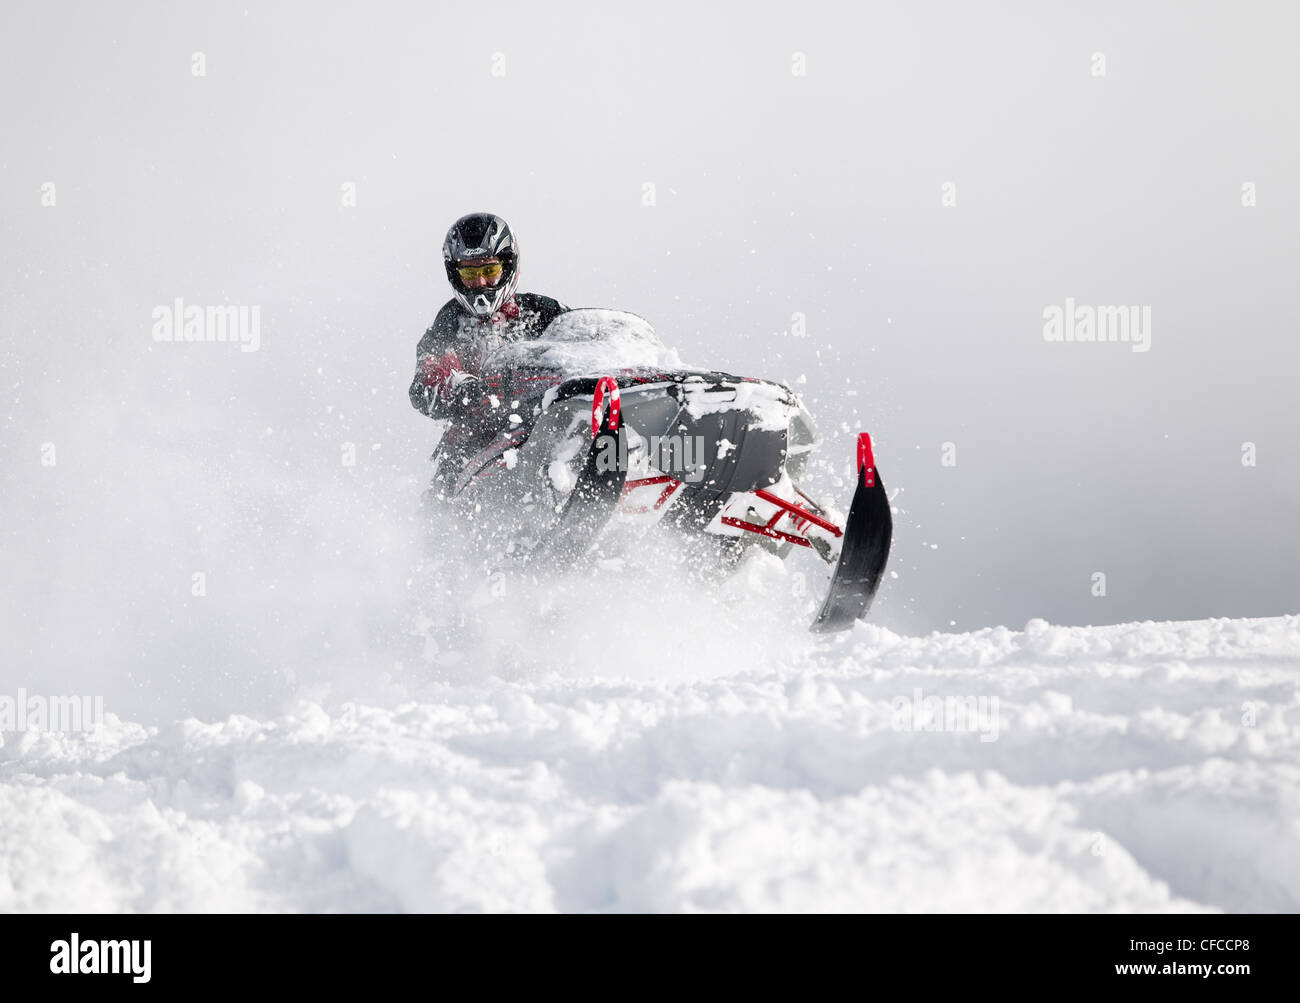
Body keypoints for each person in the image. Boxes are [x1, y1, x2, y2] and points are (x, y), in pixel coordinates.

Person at [408, 212, 566, 421]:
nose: (481, 282)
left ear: (508, 265)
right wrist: (461, 388)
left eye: (490, 270)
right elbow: (423, 383)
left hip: (544, 422)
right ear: (455, 274)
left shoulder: (541, 311)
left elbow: (584, 339)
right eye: (470, 274)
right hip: (476, 435)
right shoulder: (450, 320)